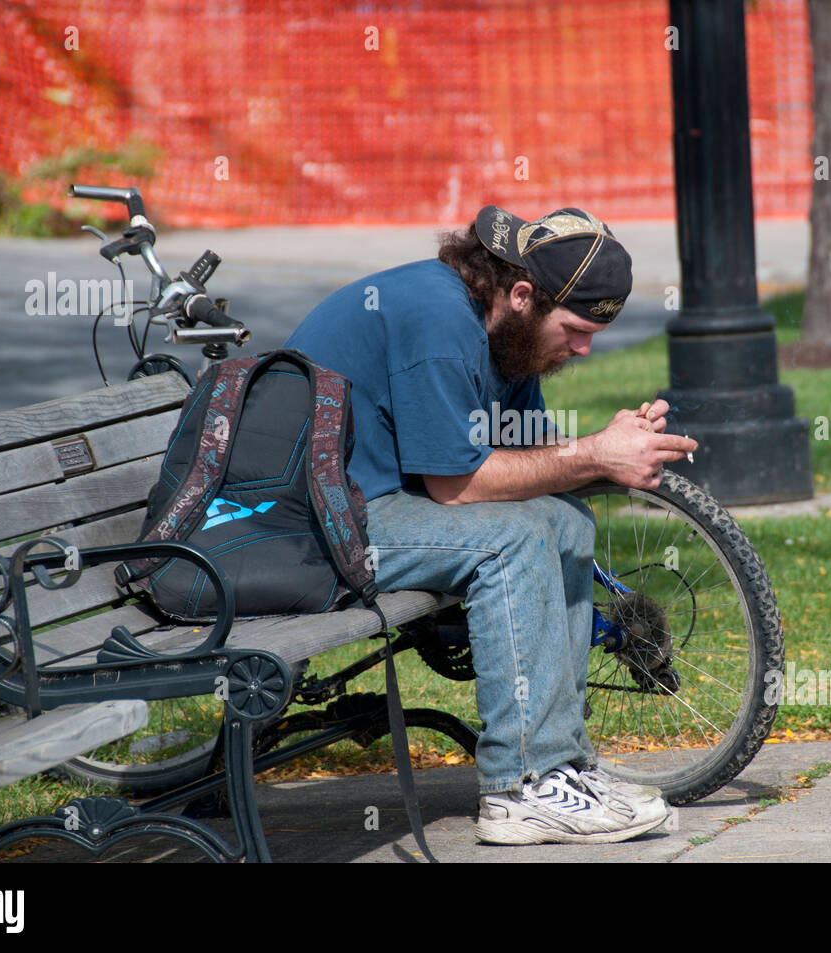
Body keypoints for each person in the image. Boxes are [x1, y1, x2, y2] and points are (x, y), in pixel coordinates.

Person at [284, 205, 697, 845]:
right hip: (313, 523)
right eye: (577, 329)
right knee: (516, 537)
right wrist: (592, 453)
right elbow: (460, 486)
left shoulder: (508, 333)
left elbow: (529, 460)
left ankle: (563, 765)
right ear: (524, 294)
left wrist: (616, 450)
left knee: (561, 520)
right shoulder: (437, 319)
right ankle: (521, 788)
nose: (584, 349)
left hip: (376, 500)